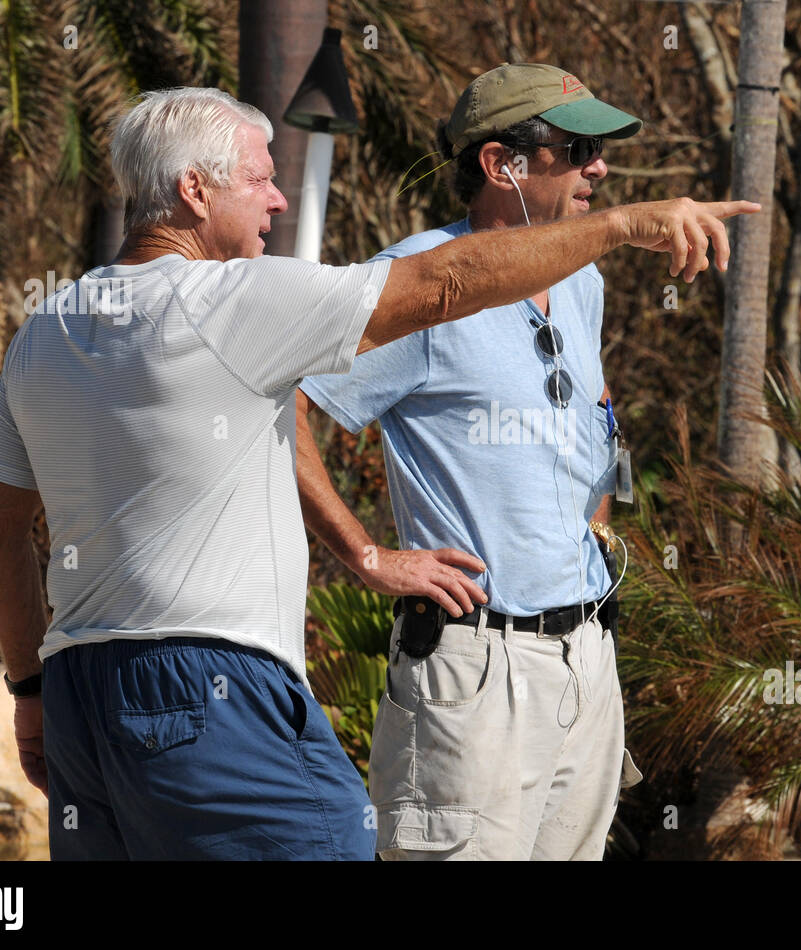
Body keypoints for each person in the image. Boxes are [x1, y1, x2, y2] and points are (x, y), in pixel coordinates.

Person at [0, 84, 756, 860]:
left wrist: (30, 691)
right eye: (259, 178)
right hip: (215, 685)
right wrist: (625, 227)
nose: (278, 200)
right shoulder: (236, 299)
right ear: (193, 190)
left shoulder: (44, 329)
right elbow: (441, 283)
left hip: (79, 691)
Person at [296, 63, 709, 860]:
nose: (601, 167)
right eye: (578, 147)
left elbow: (592, 403)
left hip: (588, 661)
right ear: (501, 165)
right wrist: (367, 556)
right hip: (473, 673)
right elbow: (284, 405)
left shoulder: (581, 279)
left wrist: (597, 515)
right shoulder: (418, 281)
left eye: (601, 149)